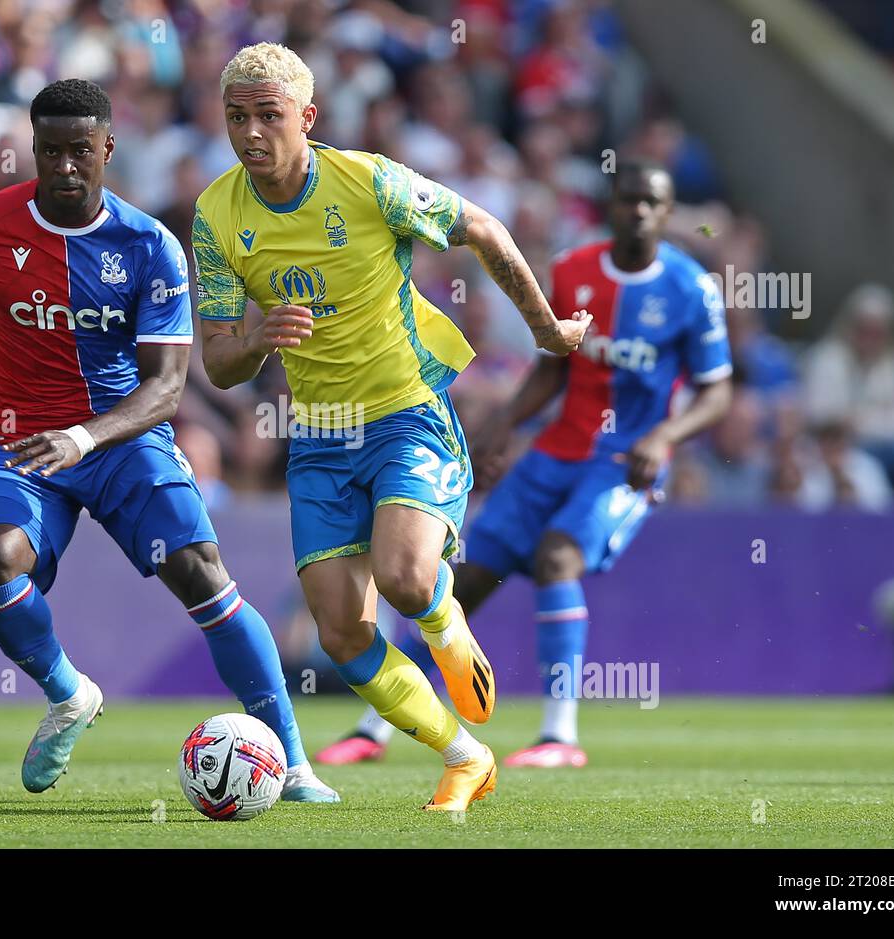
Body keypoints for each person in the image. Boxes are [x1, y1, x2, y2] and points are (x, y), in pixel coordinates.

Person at [0, 79, 337, 803]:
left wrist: (84, 437)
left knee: (202, 571)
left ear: (107, 147)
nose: (65, 167)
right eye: (50, 151)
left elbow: (167, 387)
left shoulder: (149, 246)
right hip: (18, 439)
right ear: (33, 150)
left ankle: (293, 763)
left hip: (122, 438)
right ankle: (69, 692)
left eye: (81, 151)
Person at [193, 43, 589, 811]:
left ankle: (445, 620)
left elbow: (482, 227)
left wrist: (544, 329)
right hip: (318, 435)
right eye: (236, 116)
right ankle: (465, 754)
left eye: (268, 116)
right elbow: (219, 362)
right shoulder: (215, 215)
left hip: (407, 412)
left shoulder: (369, 181)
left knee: (407, 578)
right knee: (342, 633)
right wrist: (255, 337)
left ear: (306, 118)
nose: (249, 133)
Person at [318, 161, 732, 769]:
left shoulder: (691, 288)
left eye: (652, 203)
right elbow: (554, 366)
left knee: (556, 558)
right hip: (556, 450)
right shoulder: (573, 270)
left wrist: (665, 436)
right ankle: (374, 729)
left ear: (668, 213)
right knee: (461, 579)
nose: (639, 211)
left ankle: (559, 736)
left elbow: (718, 390)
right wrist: (506, 423)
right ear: (611, 204)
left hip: (625, 464)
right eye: (629, 199)